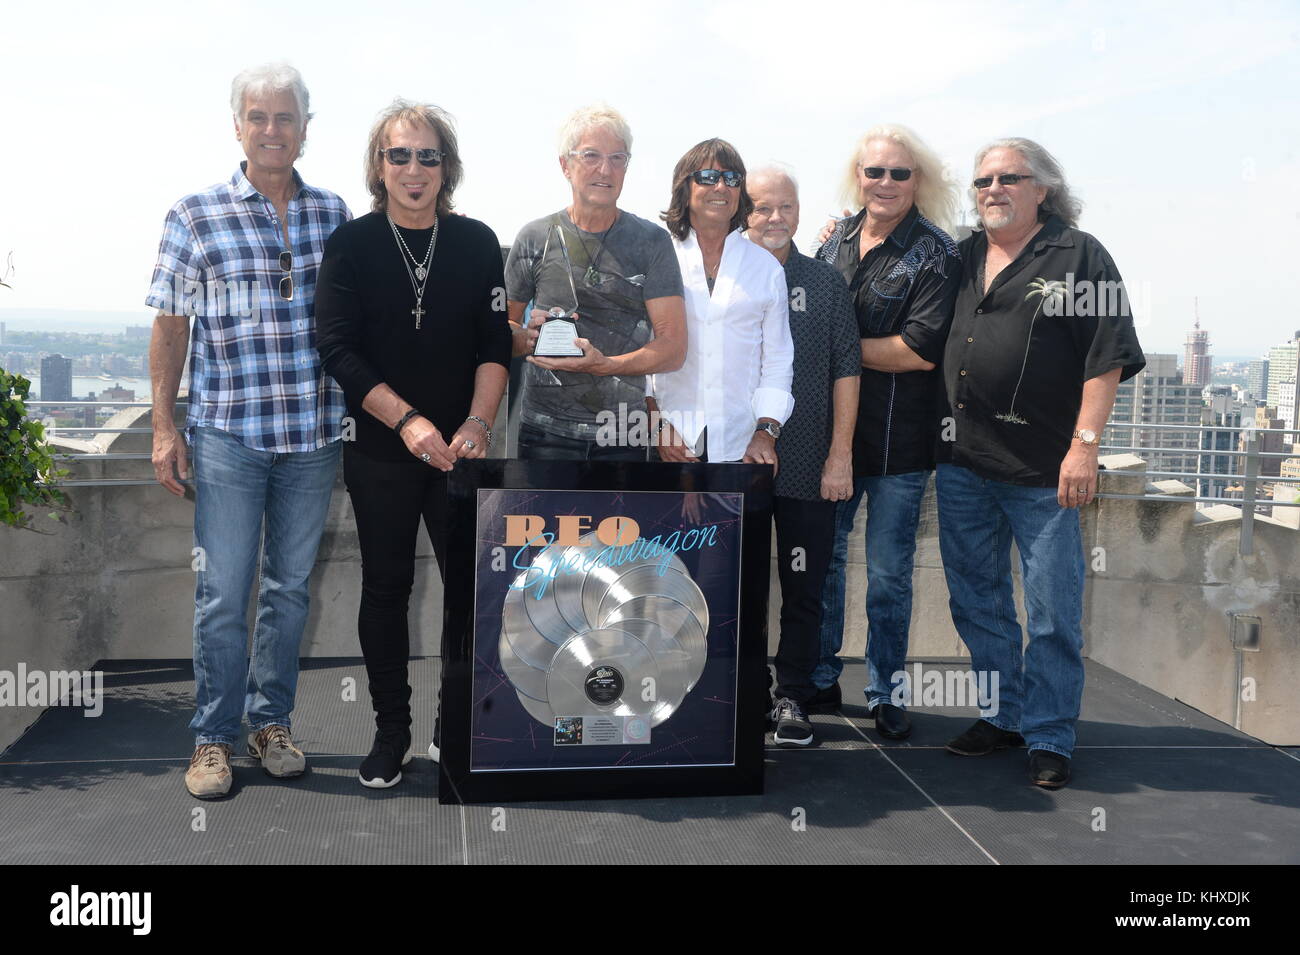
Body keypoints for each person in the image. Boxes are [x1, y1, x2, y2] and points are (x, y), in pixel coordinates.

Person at [147, 63, 350, 800]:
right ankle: (212, 737)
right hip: (228, 435)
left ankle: (271, 724)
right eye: (259, 117)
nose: (273, 130)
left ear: (304, 127)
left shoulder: (334, 213)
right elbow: (170, 326)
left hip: (314, 433)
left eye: (286, 117)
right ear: (238, 126)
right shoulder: (194, 214)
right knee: (223, 592)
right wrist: (165, 425)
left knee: (290, 590)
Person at [935, 138, 1144, 789]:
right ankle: (1003, 715)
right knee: (978, 600)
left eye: (1008, 178)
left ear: (1042, 187)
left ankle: (1049, 732)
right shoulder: (963, 255)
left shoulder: (1080, 255)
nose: (992, 188)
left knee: (1053, 607)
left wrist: (1084, 445)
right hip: (963, 463)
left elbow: (1106, 356)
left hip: (1046, 472)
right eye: (982, 180)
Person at [316, 100, 511, 788]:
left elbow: (496, 347)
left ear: (447, 167)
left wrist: (478, 425)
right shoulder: (351, 245)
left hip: (462, 452)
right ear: (379, 165)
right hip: (380, 451)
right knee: (387, 587)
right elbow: (337, 348)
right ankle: (391, 731)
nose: (414, 169)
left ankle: (454, 723)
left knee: (471, 590)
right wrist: (407, 422)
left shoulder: (479, 242)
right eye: (399, 155)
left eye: (428, 156)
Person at [813, 126, 960, 741]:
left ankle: (886, 692)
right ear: (858, 176)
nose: (886, 183)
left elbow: (917, 351)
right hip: (827, 441)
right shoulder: (834, 242)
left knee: (889, 576)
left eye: (899, 173)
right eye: (875, 171)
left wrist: (834, 351)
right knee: (823, 565)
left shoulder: (936, 252)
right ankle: (819, 679)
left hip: (900, 445)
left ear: (918, 181)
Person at [744, 166, 859, 746]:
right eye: (763, 207)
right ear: (744, 211)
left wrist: (840, 457)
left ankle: (792, 696)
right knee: (735, 585)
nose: (775, 217)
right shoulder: (726, 277)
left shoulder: (824, 281)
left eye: (785, 207)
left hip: (810, 462)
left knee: (803, 588)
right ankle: (738, 696)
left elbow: (848, 371)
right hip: (737, 463)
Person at [505, 105, 685, 459]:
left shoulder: (652, 242)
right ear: (565, 165)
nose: (606, 169)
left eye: (618, 158)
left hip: (624, 434)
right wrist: (528, 338)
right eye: (591, 156)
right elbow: (500, 332)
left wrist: (607, 365)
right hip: (545, 434)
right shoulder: (534, 237)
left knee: (623, 520)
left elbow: (674, 348)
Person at [649, 138, 793, 467]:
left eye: (732, 179)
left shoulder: (766, 268)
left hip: (742, 448)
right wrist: (657, 426)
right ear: (684, 187)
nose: (722, 187)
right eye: (708, 177)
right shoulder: (655, 257)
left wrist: (765, 433)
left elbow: (777, 361)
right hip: (672, 445)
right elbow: (637, 351)